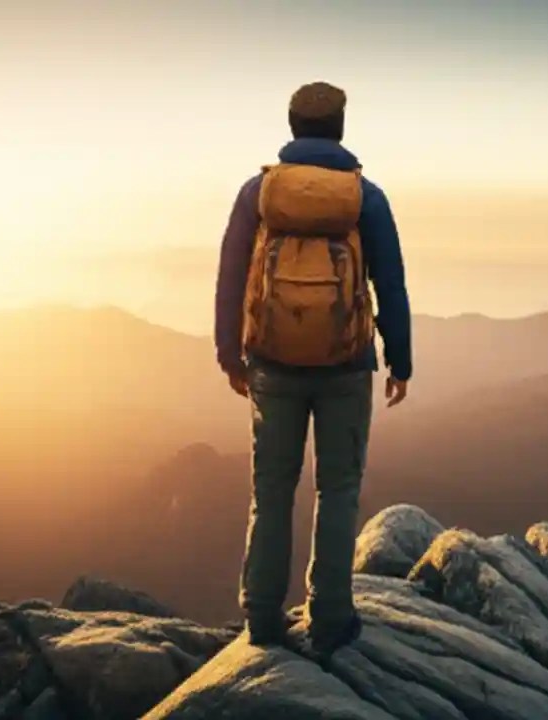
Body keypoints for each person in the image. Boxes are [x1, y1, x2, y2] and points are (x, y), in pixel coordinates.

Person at [213, 81, 413, 655]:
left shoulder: (260, 192)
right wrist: (398, 359)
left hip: (271, 364)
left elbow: (230, 277)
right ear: (341, 127)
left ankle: (261, 620)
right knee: (339, 489)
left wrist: (230, 354)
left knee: (271, 489)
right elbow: (390, 284)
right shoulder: (364, 198)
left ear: (293, 125)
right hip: (346, 365)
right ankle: (329, 622)